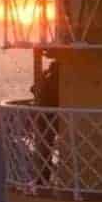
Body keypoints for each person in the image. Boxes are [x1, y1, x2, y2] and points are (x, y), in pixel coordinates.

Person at [30, 60, 60, 190]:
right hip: (51, 116)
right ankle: (44, 177)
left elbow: (33, 89)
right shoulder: (54, 80)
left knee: (45, 148)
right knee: (46, 148)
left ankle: (43, 178)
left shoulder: (48, 79)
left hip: (46, 116)